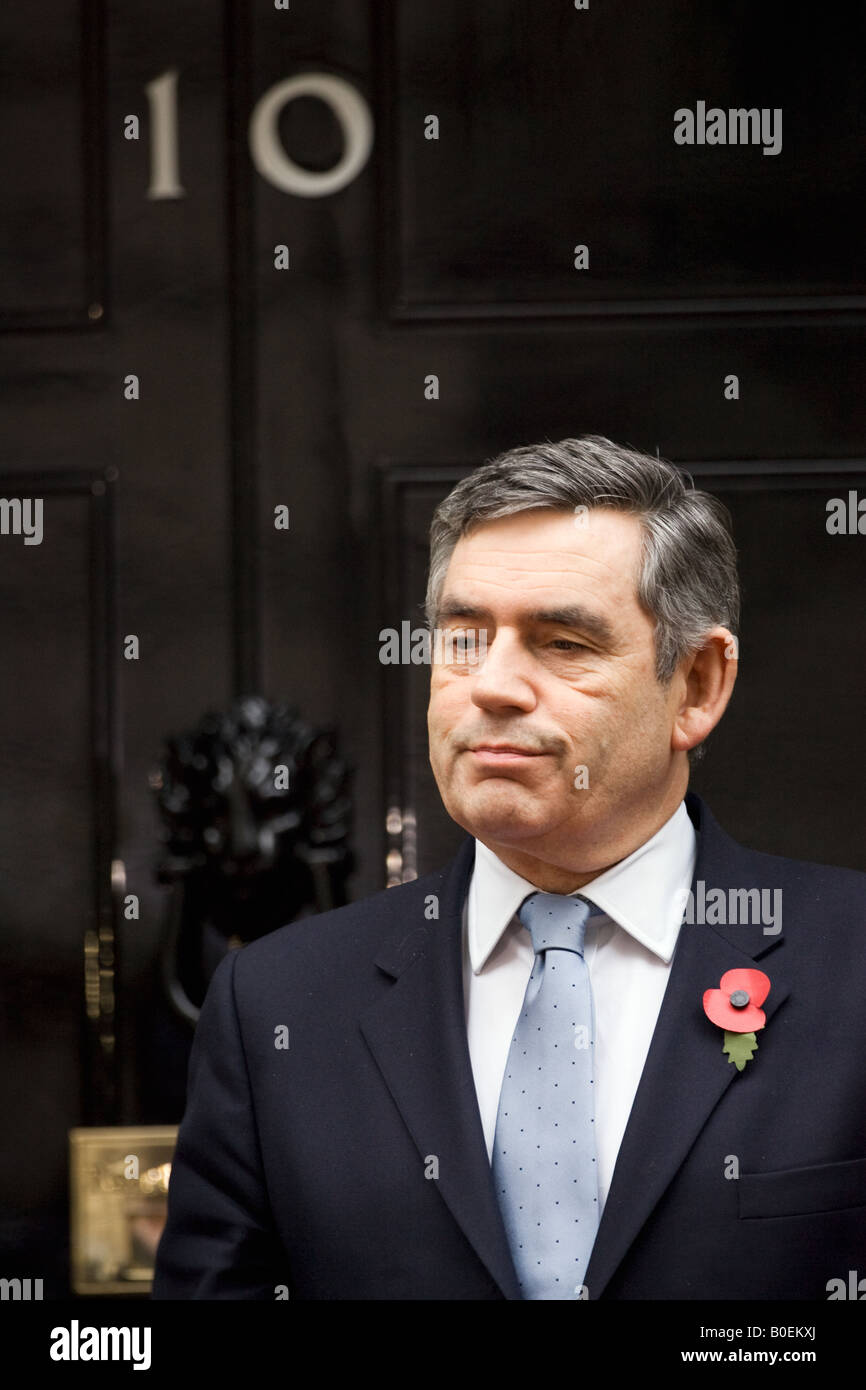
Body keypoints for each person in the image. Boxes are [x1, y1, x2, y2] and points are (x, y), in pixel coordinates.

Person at [153, 435, 866, 1300]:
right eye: (462, 638)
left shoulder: (849, 963)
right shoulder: (276, 1002)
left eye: (563, 641)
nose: (490, 685)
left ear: (699, 685)